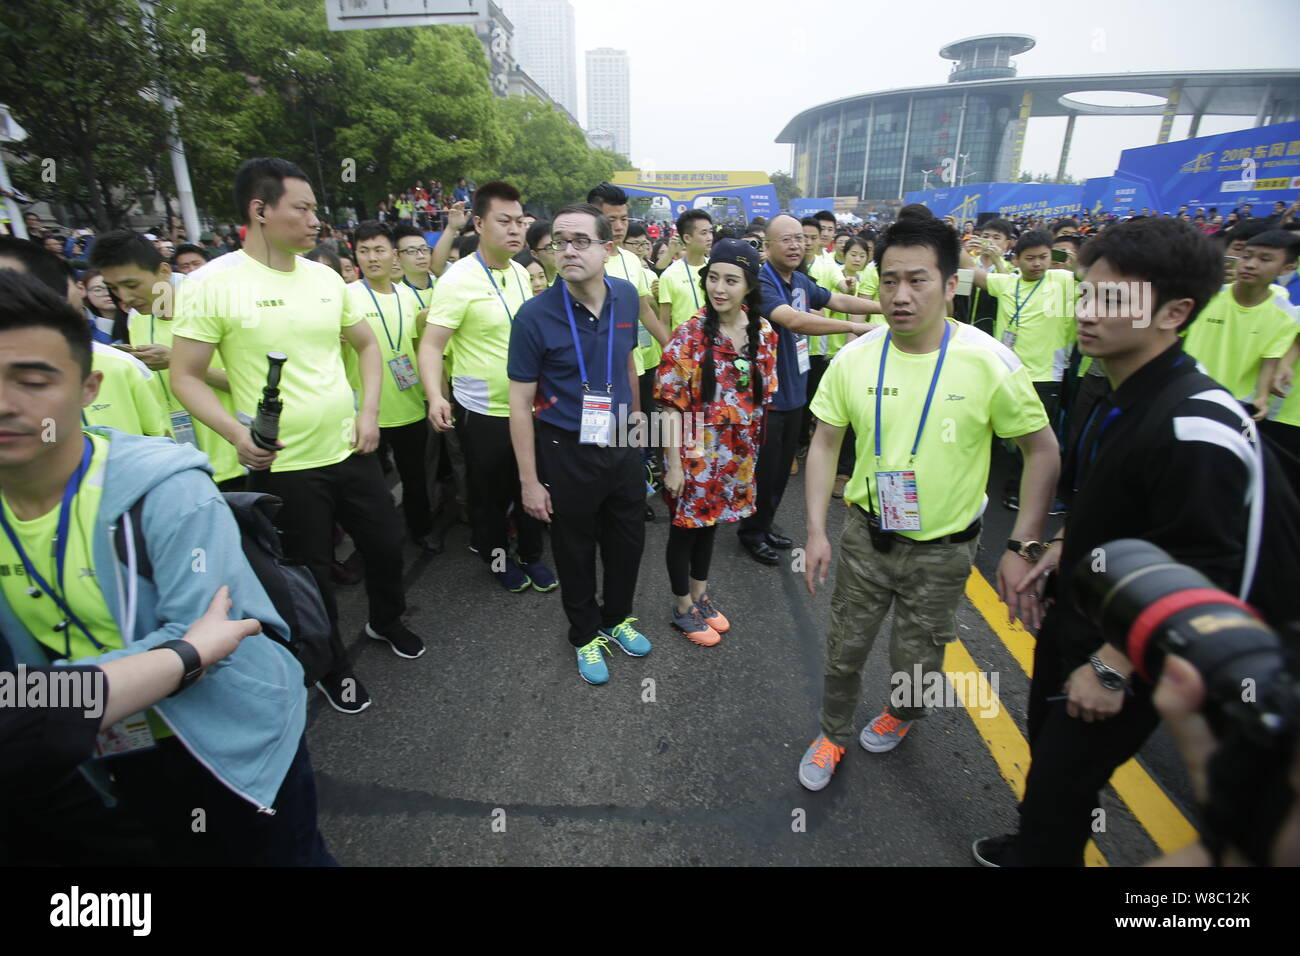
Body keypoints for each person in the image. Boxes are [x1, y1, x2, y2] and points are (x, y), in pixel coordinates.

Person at [973, 216, 1299, 867]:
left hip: (1144, 648)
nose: (1087, 313)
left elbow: (1207, 565)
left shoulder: (1193, 424)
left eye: (1113, 300)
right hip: (1093, 613)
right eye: (1086, 293)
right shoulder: (1120, 390)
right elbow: (1116, 502)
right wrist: (1058, 546)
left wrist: (1113, 666)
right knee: (1052, 760)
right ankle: (1040, 840)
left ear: (1175, 312)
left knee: (1067, 772)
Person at [0, 269, 334, 865]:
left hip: (225, 739)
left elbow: (203, 646)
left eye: (32, 380)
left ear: (87, 386)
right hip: (99, 755)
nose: (5, 404)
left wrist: (37, 703)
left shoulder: (167, 489)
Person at [796, 216, 1058, 792]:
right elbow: (824, 442)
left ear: (950, 281)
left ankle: (903, 713)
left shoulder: (989, 360)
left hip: (944, 551)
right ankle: (832, 733)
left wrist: (1023, 542)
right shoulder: (855, 358)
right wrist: (815, 528)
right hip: (867, 537)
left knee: (918, 659)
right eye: (890, 281)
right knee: (844, 649)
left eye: (918, 280)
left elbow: (1042, 451)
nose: (901, 296)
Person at [170, 157, 424, 716]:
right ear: (260, 210)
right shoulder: (211, 283)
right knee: (310, 576)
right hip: (282, 467)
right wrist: (236, 433)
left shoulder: (326, 277)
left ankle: (385, 621)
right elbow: (184, 375)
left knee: (384, 545)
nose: (316, 220)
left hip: (351, 449)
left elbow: (364, 346)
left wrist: (369, 413)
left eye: (315, 208)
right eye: (302, 208)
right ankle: (332, 664)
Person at [507, 202, 652, 685]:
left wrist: (636, 435)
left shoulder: (628, 297)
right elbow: (520, 403)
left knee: (628, 542)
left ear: (608, 249)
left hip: (620, 443)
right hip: (564, 447)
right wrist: (530, 482)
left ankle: (617, 618)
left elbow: (628, 364)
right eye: (559, 242)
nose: (567, 251)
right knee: (572, 549)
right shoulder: (534, 316)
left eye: (581, 241)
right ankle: (585, 633)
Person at [420, 181, 556, 592]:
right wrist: (435, 395)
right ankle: (498, 559)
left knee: (531, 482)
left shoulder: (519, 273)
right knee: (491, 495)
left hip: (530, 407)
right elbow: (431, 344)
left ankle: (532, 556)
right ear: (478, 223)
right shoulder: (457, 280)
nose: (515, 230)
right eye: (504, 221)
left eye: (519, 221)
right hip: (483, 412)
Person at [736, 214, 880, 566]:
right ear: (767, 247)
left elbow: (838, 300)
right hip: (768, 397)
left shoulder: (800, 279)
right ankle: (751, 532)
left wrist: (884, 307)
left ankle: (765, 524)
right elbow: (794, 320)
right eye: (786, 239)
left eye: (800, 238)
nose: (795, 245)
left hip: (795, 393)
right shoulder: (762, 282)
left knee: (783, 468)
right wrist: (855, 329)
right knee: (765, 471)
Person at [655, 239, 777, 645]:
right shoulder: (688, 335)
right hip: (693, 455)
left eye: (731, 280)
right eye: (714, 278)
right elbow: (671, 406)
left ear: (749, 286)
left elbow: (762, 399)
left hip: (737, 455)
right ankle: (682, 608)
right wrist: (672, 465)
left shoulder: (763, 332)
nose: (719, 288)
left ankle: (701, 595)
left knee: (710, 526)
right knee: (684, 529)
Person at [88, 230, 244, 488]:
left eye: (131, 285)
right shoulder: (136, 317)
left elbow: (253, 384)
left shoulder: (219, 308)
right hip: (183, 466)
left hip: (238, 462)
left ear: (163, 272)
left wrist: (176, 361)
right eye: (114, 288)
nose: (124, 298)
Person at [964, 229, 1076, 509]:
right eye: (1030, 258)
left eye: (1043, 257)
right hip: (1006, 373)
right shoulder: (1007, 283)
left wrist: (1061, 255)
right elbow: (970, 271)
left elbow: (1084, 267)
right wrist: (959, 243)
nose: (1037, 264)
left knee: (1035, 439)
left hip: (1045, 376)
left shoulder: (1062, 280)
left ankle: (1023, 492)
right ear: (1017, 259)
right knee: (1003, 435)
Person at [344, 221, 438, 553]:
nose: (372, 258)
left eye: (379, 250)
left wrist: (432, 396)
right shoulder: (347, 297)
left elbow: (420, 348)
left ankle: (421, 530)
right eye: (364, 251)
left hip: (410, 405)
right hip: (365, 412)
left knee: (414, 478)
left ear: (393, 255)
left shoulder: (408, 297)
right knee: (370, 486)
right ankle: (378, 542)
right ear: (355, 255)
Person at [1182, 229, 1299, 422]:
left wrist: (1261, 398)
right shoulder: (1206, 296)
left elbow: (1269, 363)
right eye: (1246, 256)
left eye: (1265, 259)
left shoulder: (1286, 316)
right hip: (1185, 394)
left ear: (1287, 268)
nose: (1250, 265)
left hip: (1235, 406)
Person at [527, 219, 558, 287]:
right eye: (549, 247)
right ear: (534, 254)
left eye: (557, 244)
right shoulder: (532, 284)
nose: (556, 251)